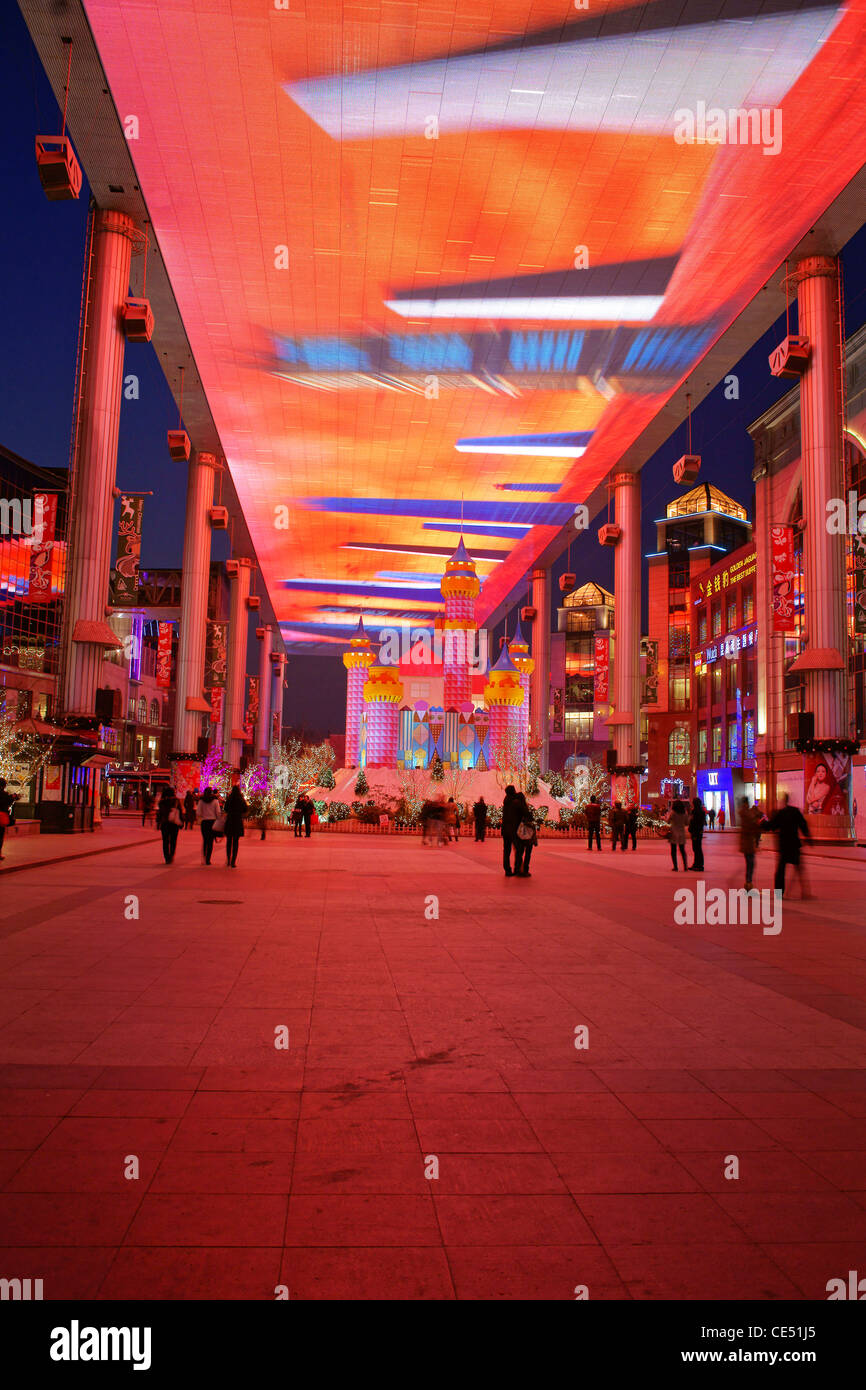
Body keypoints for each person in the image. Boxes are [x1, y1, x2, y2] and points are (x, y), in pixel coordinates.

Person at [768, 793, 811, 898]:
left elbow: (772, 825)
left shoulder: (780, 814)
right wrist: (809, 838)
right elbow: (803, 824)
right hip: (794, 844)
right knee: (799, 868)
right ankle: (805, 892)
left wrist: (761, 823)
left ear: (783, 801)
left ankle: (779, 893)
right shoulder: (795, 811)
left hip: (784, 846)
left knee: (780, 871)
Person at [737, 795, 764, 890]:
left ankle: (748, 883)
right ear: (746, 803)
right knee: (750, 864)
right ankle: (749, 883)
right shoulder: (747, 814)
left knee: (749, 863)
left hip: (745, 843)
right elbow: (754, 825)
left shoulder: (744, 813)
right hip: (748, 843)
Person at [223, 774, 248, 868]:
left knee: (229, 841)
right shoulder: (241, 799)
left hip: (230, 820)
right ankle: (233, 861)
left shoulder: (229, 799)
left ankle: (228, 859)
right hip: (237, 821)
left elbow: (225, 809)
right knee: (236, 842)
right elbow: (245, 809)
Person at [512, 793, 537, 877]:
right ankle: (525, 869)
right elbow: (530, 817)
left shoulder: (512, 806)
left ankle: (517, 869)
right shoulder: (523, 807)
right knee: (528, 852)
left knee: (519, 852)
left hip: (516, 832)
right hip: (526, 832)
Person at [197, 786, 221, 865]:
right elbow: (218, 812)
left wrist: (204, 814)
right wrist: (218, 820)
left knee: (205, 840)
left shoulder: (201, 801)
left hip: (204, 822)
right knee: (210, 841)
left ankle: (204, 857)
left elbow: (198, 813)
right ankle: (208, 859)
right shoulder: (215, 801)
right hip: (212, 822)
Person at [501, 784, 521, 876]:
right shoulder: (515, 802)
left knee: (506, 851)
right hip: (514, 829)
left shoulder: (506, 801)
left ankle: (507, 870)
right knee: (518, 850)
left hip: (505, 830)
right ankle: (517, 868)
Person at [159, 787, 182, 864]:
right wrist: (181, 822)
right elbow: (180, 812)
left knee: (165, 841)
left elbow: (160, 813)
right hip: (174, 823)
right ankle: (171, 855)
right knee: (173, 840)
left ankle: (166, 857)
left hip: (165, 823)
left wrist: (158, 822)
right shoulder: (176, 801)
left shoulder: (162, 802)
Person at [667, 798, 688, 871]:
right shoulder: (684, 813)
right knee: (682, 850)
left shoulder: (673, 813)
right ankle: (685, 866)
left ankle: (675, 867)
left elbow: (668, 821)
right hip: (681, 833)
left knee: (673, 850)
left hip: (673, 833)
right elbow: (686, 823)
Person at [0, 777, 18, 860]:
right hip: (1, 817)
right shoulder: (5, 795)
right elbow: (10, 801)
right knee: (0, 836)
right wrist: (14, 797)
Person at [688, 796, 706, 871]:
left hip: (696, 832)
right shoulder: (701, 811)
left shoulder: (696, 811)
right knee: (697, 849)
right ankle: (697, 864)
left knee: (696, 849)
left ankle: (698, 865)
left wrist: (691, 829)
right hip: (699, 832)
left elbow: (693, 822)